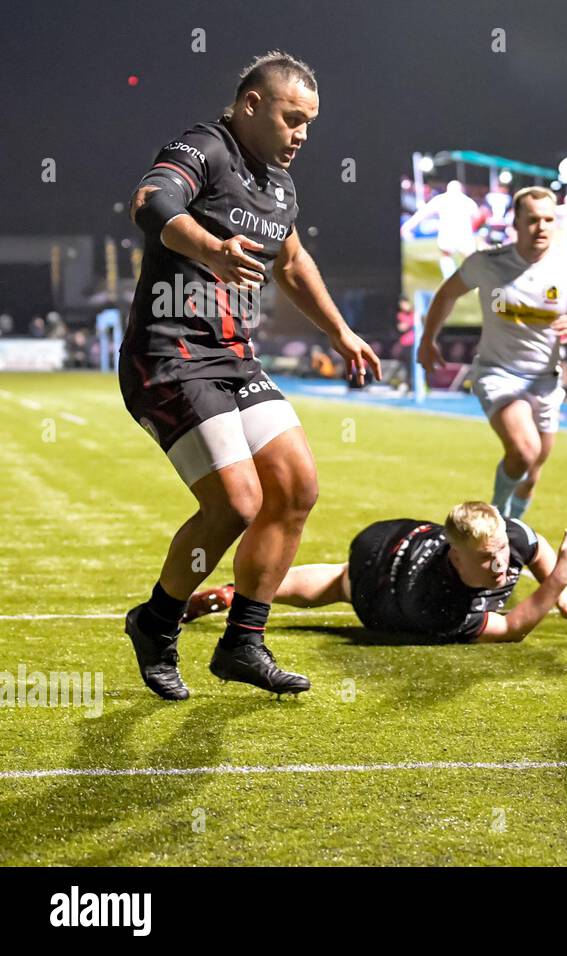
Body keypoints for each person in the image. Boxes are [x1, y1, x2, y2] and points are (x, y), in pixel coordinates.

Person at [119, 50, 381, 700]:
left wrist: (341, 333)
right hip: (168, 353)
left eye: (310, 125)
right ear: (252, 105)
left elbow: (292, 263)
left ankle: (243, 642)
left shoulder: (281, 187)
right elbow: (151, 203)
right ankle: (155, 624)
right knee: (237, 503)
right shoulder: (202, 147)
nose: (301, 135)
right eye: (293, 119)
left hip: (233, 357)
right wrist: (211, 248)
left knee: (295, 488)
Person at [418, 187, 567, 518]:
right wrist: (428, 339)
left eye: (549, 220)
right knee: (524, 450)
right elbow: (446, 294)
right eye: (533, 220)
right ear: (516, 223)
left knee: (532, 474)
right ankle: (494, 518)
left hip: (545, 381)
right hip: (498, 374)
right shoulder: (487, 263)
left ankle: (509, 535)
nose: (542, 227)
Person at [184, 502, 567, 643]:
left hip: (401, 534)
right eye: (486, 560)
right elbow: (512, 627)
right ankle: (245, 596)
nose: (500, 566)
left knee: (334, 579)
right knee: (347, 584)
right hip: (379, 578)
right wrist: (560, 579)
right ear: (456, 560)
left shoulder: (501, 534)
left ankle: (233, 592)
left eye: (502, 554)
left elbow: (536, 549)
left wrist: (562, 599)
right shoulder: (439, 603)